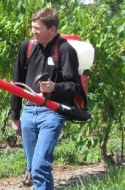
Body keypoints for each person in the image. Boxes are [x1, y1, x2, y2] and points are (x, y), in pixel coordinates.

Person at [10, 8, 82, 190]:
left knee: (40, 165)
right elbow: (16, 83)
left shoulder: (65, 50)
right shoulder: (27, 47)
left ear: (52, 29)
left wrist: (54, 87)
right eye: (32, 27)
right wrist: (15, 116)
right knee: (34, 169)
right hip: (28, 111)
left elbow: (75, 86)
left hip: (51, 112)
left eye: (37, 28)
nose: (32, 32)